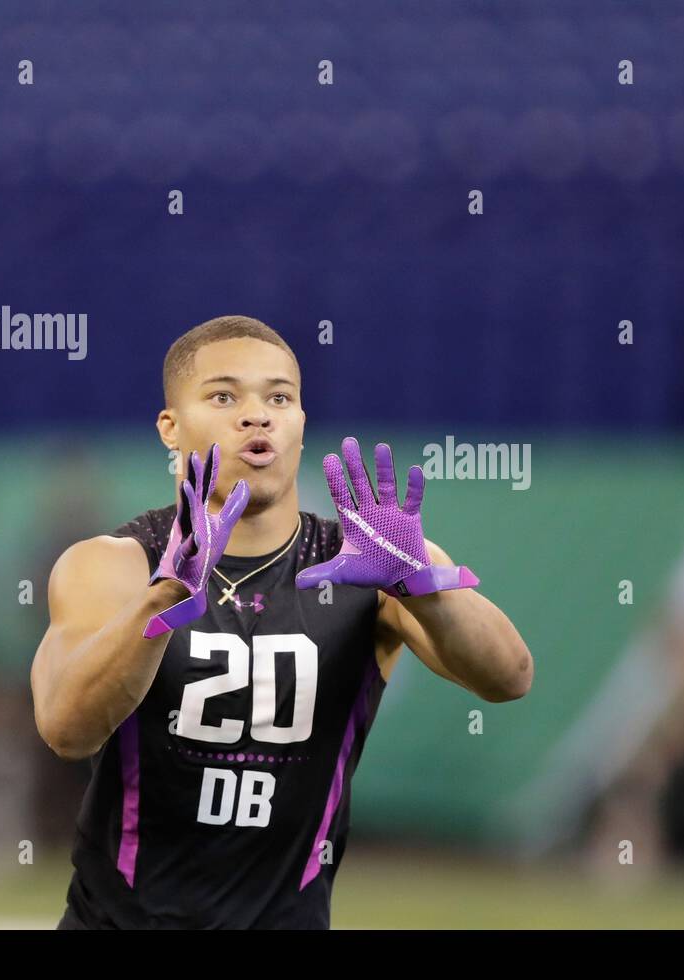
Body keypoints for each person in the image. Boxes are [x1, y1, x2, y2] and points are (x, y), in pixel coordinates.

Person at [30, 316, 533, 929]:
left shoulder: (366, 564)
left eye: (279, 397)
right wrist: (162, 601)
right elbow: (66, 729)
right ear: (171, 426)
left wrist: (420, 588)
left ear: (299, 424)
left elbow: (510, 677)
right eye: (223, 396)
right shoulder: (115, 565)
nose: (256, 415)